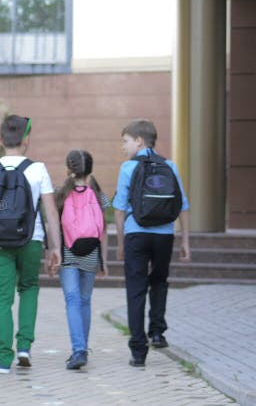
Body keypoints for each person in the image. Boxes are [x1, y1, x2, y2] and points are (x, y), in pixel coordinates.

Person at [0, 115, 62, 374]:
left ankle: (3, 359)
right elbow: (51, 213)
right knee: (29, 288)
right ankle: (24, 346)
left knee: (2, 298)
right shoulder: (38, 169)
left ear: (0, 140)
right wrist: (56, 247)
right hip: (30, 239)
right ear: (26, 140)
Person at [113, 119, 191, 368]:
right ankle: (157, 332)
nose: (123, 147)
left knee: (135, 290)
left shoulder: (128, 168)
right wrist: (185, 241)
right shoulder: (169, 165)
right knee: (159, 281)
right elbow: (183, 206)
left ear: (139, 141)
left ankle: (138, 351)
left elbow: (118, 208)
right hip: (164, 235)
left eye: (125, 141)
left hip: (137, 233)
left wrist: (121, 242)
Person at [55, 149, 110, 370]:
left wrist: (53, 253)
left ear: (68, 169)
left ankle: (78, 351)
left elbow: (54, 226)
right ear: (91, 169)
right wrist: (103, 261)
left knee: (72, 300)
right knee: (85, 300)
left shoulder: (60, 194)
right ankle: (82, 349)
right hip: (91, 252)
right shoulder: (98, 194)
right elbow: (104, 229)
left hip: (68, 252)